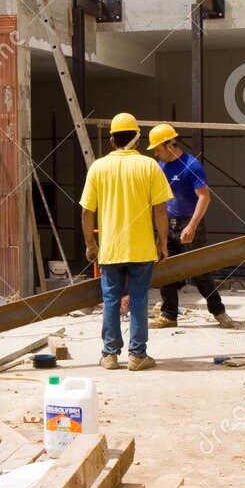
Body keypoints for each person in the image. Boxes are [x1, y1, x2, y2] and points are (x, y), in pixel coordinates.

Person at [80, 113, 173, 371]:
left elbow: (87, 212)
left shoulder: (98, 168)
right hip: (142, 249)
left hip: (110, 250)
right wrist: (163, 242)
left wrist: (90, 244)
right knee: (139, 299)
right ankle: (137, 355)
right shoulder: (149, 167)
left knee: (111, 299)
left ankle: (110, 355)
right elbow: (160, 210)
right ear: (138, 139)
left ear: (111, 140)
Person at [147, 123, 234, 329]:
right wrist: (161, 231)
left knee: (199, 270)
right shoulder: (160, 168)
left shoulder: (191, 165)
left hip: (189, 222)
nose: (156, 154)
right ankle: (169, 315)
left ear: (169, 145)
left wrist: (192, 226)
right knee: (166, 268)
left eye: (157, 149)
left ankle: (218, 311)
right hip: (168, 223)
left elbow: (204, 197)